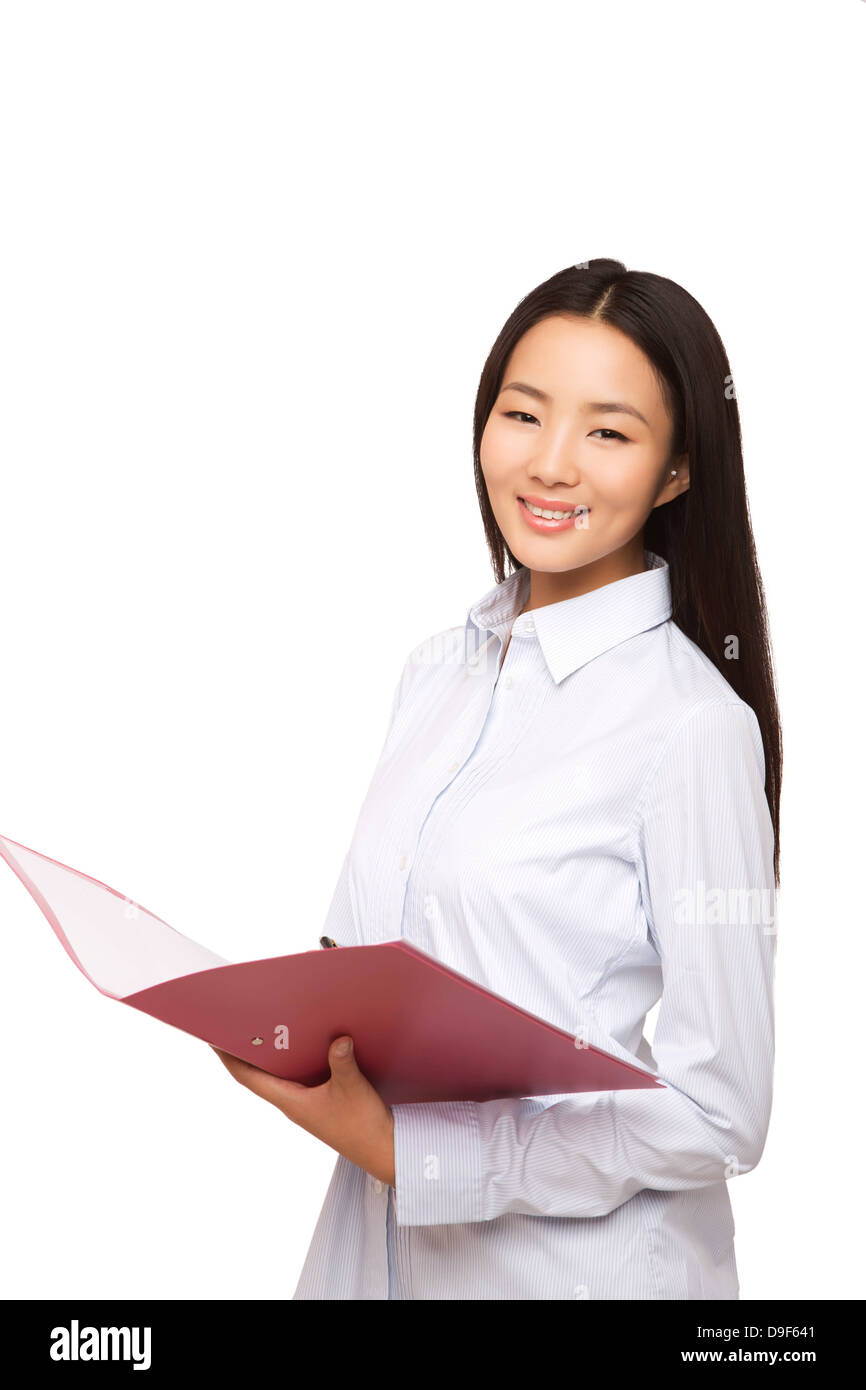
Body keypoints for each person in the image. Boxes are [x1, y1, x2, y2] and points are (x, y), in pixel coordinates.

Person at [213, 259, 781, 1300]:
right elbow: (381, 956)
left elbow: (720, 1112)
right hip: (370, 1258)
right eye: (523, 414)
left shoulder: (691, 727)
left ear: (676, 470)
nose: (550, 464)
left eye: (607, 432)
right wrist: (290, 1025)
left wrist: (416, 1155)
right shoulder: (435, 670)